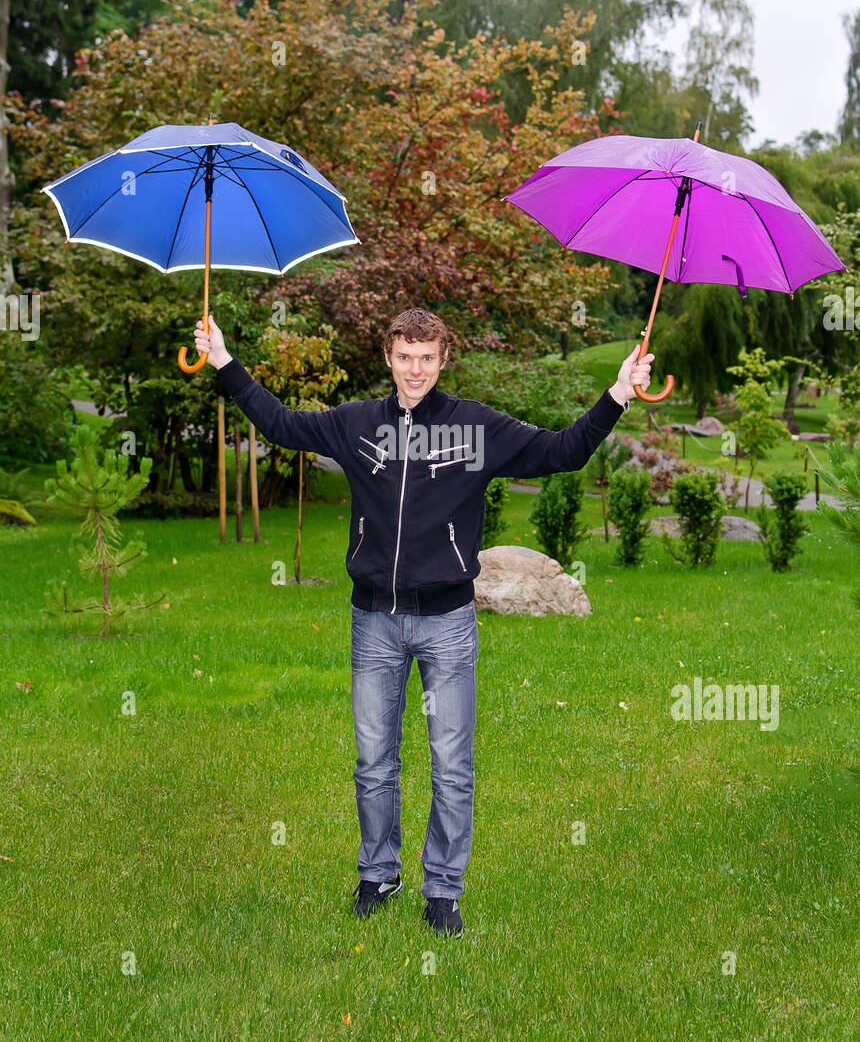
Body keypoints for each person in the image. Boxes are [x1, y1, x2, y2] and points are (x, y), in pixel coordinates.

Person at [194, 309, 653, 937]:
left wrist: (618, 394)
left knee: (451, 763)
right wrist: (223, 361)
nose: (415, 370)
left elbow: (562, 451)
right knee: (373, 761)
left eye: (427, 358)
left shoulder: (476, 427)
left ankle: (443, 888)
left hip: (448, 624)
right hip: (374, 621)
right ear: (388, 356)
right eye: (405, 357)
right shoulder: (356, 424)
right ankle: (379, 874)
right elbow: (282, 425)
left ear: (443, 361)